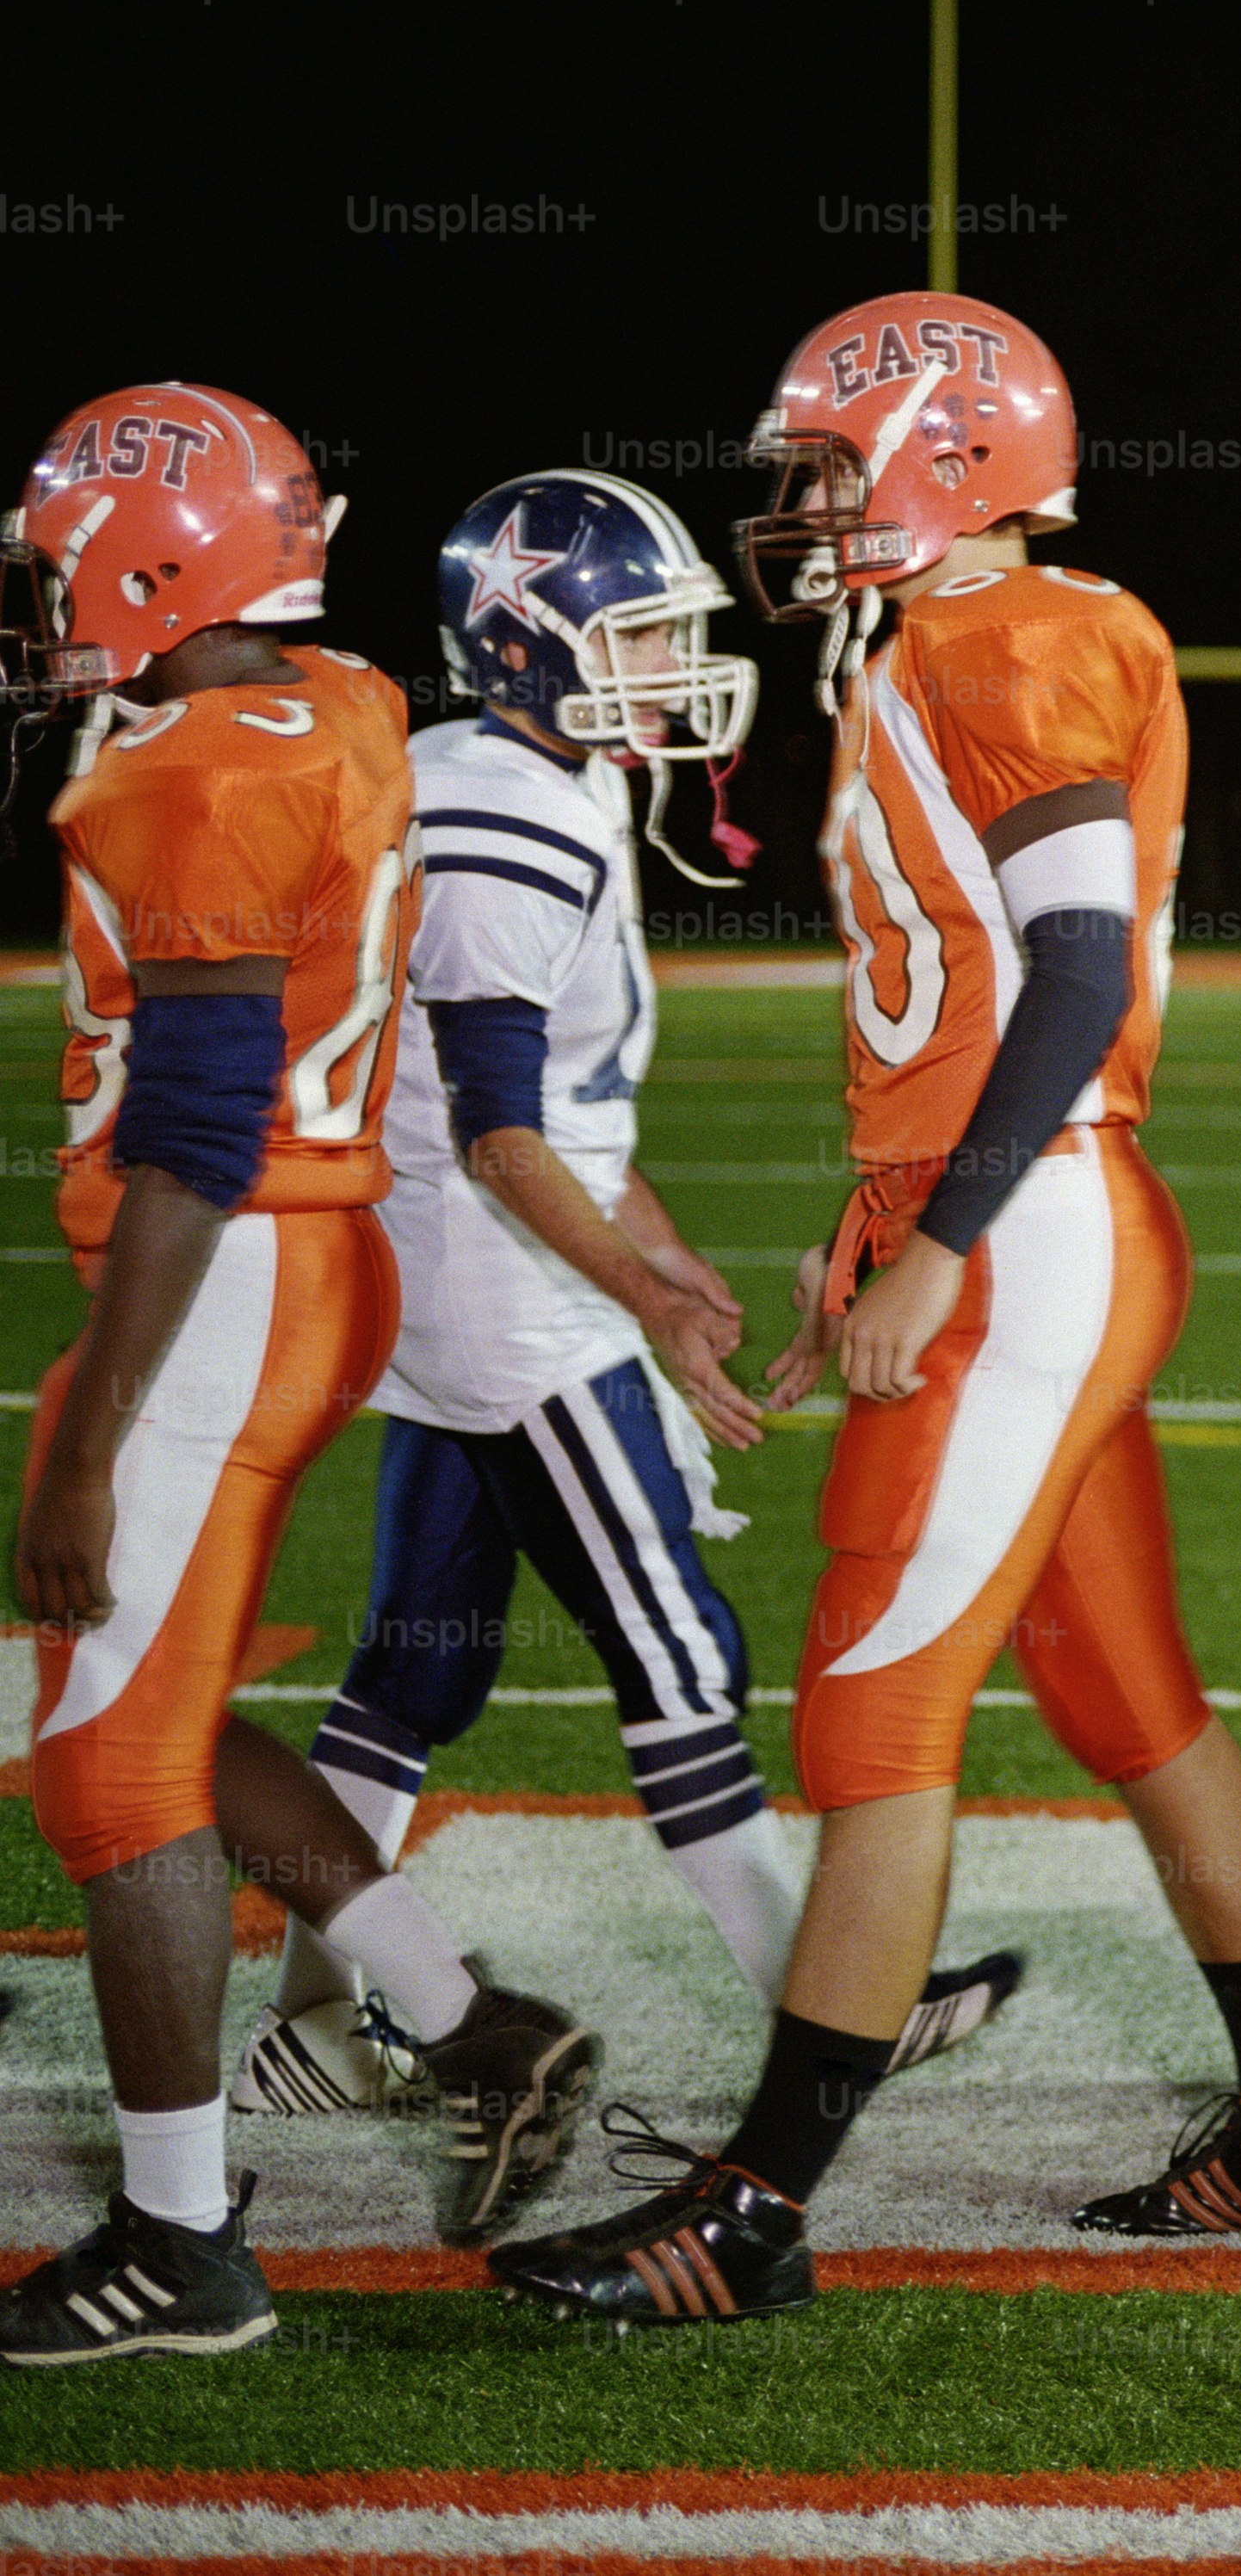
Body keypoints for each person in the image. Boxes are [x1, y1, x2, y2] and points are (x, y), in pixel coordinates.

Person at [491, 292, 1241, 2326]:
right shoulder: (939, 645)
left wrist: (948, 1241)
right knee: (1123, 1700)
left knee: (873, 1709)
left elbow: (1071, 979)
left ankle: (750, 2210)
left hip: (1036, 1230)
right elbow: (963, 998)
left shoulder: (1017, 640)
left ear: (946, 460)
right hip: (1007, 1212)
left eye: (820, 465)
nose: (795, 508)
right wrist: (871, 1218)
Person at [238, 470, 1016, 2122]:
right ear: (527, 644)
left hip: (455, 1275)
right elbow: (508, 1136)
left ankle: (314, 2022)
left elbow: (559, 1119)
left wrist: (656, 1257)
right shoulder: (509, 814)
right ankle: (829, 2011)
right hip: (499, 1296)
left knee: (414, 1666)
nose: (673, 669)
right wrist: (634, 1300)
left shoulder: (520, 774)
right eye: (641, 637)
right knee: (673, 1639)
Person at [1, 386, 597, 2365]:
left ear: (155, 558)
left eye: (62, 546)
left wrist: (84, 1438)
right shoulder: (329, 694)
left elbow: (191, 1123)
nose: (39, 587)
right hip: (299, 1260)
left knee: (103, 1767)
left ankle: (185, 2241)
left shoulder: (186, 771)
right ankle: (466, 2022)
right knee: (137, 1703)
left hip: (225, 1260)